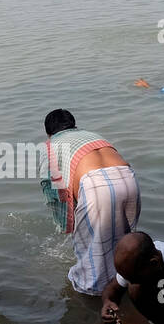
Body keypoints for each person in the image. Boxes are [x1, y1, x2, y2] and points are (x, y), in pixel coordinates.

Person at [39, 109, 141, 294]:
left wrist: (67, 224)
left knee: (91, 254)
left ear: (49, 133)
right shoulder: (92, 136)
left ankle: (96, 300)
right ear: (73, 125)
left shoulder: (50, 145)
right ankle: (129, 284)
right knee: (125, 241)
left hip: (96, 185)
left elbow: (52, 189)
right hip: (128, 178)